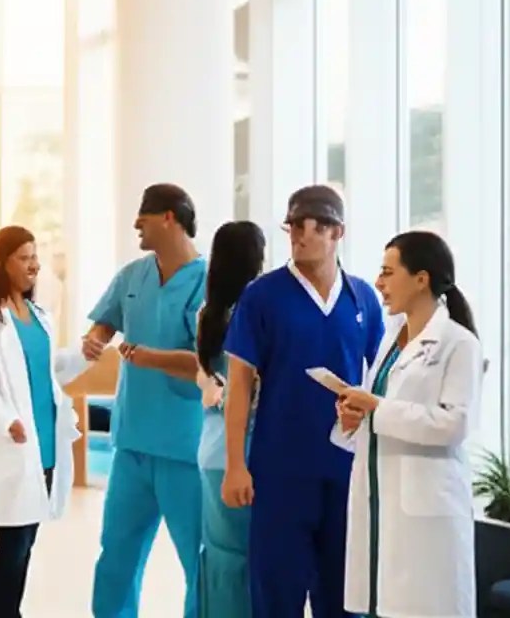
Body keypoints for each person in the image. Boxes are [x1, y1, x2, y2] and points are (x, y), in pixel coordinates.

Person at [221, 185, 385, 618]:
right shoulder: (262, 296)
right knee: (277, 591)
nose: (302, 234)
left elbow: (380, 381)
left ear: (338, 233)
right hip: (280, 469)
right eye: (295, 225)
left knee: (345, 595)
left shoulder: (363, 299)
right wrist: (235, 464)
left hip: (346, 470)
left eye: (316, 226)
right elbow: (238, 385)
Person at [334, 231, 482, 618]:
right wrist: (355, 417)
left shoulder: (457, 343)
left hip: (426, 513)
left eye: (387, 272)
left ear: (422, 279)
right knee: (382, 605)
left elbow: (454, 424)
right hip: (383, 502)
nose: (379, 283)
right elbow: (381, 415)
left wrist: (378, 409)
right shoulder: (391, 343)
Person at [82, 183, 207, 618]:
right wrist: (94, 340)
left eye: (144, 215)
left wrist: (153, 358)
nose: (137, 223)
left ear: (170, 217)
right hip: (132, 443)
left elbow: (213, 365)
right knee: (116, 553)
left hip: (183, 447)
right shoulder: (133, 275)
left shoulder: (208, 282)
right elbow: (105, 321)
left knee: (199, 560)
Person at [0, 226, 90, 618]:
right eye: (24, 257)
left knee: (26, 540)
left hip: (44, 442)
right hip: (16, 442)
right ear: (1, 263)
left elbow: (50, 371)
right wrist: (7, 422)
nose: (34, 264)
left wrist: (87, 353)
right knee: (13, 543)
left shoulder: (38, 315)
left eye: (35, 256)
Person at [195, 221, 265, 618]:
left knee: (219, 553)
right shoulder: (255, 313)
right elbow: (254, 387)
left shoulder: (210, 313)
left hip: (211, 448)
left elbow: (206, 377)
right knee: (248, 556)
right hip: (245, 448)